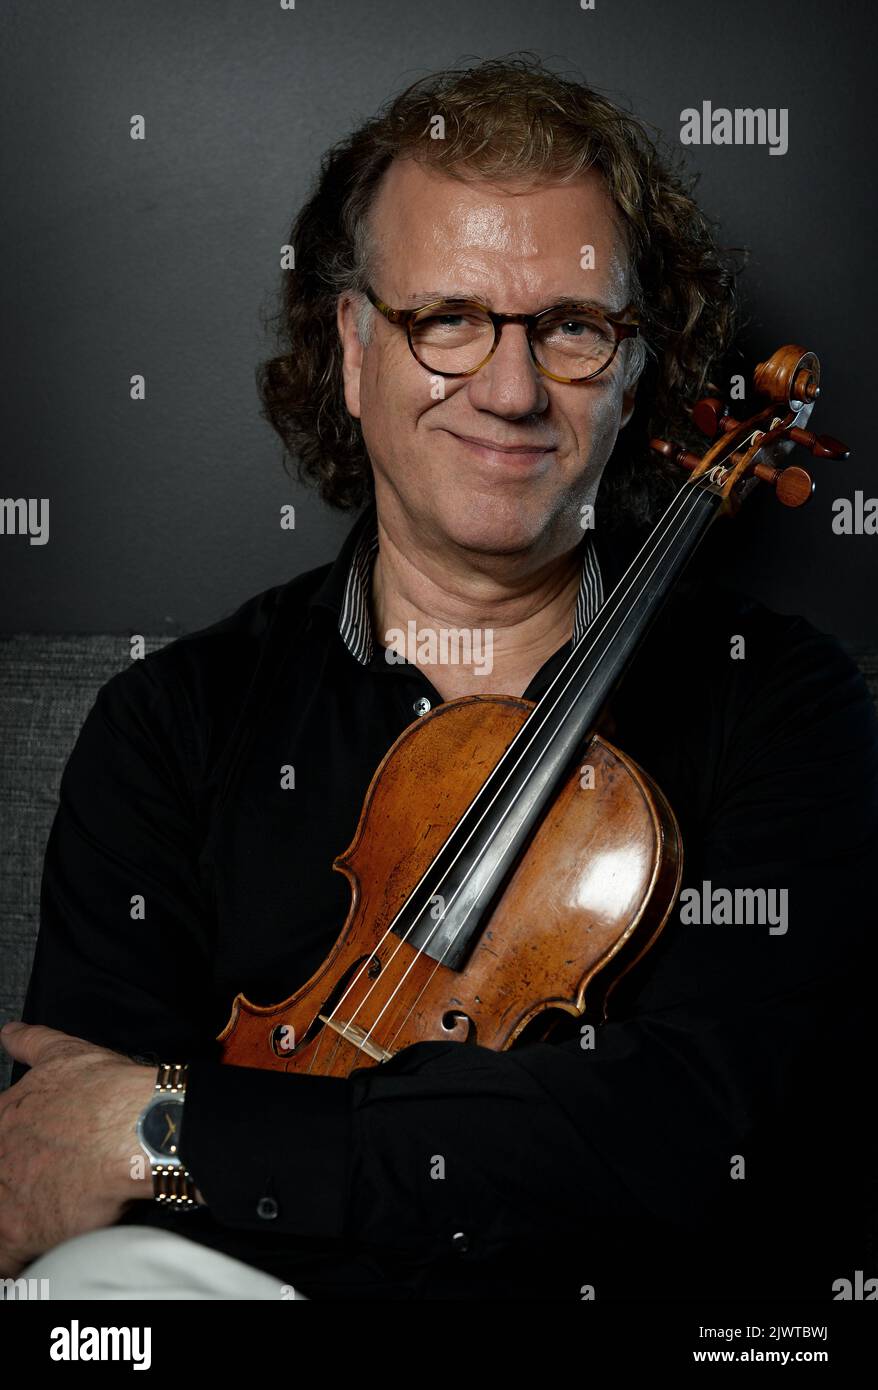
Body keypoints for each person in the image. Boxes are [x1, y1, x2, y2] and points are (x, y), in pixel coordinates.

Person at [2, 54, 876, 1302]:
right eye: (446, 320)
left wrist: (204, 1136)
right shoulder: (169, 723)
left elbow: (720, 1142)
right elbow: (67, 1154)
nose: (511, 391)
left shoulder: (781, 701)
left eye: (571, 328)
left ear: (635, 368)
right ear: (355, 346)